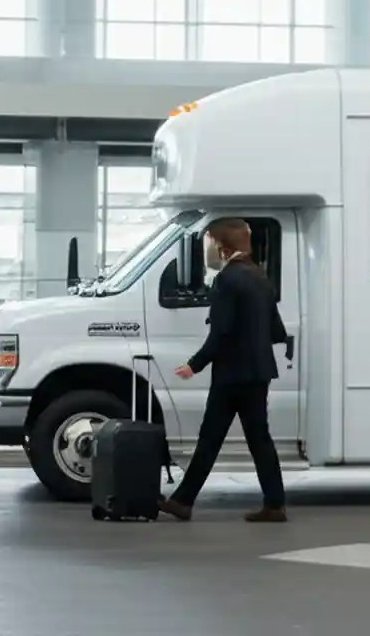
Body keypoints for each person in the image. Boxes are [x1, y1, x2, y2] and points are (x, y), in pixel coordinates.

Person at [157, 218, 289, 523]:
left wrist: (194, 364)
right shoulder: (260, 277)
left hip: (232, 374)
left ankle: (183, 502)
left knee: (210, 437)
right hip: (259, 372)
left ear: (221, 246)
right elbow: (277, 331)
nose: (207, 252)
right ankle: (275, 504)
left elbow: (221, 333)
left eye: (208, 245)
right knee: (259, 439)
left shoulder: (227, 279)